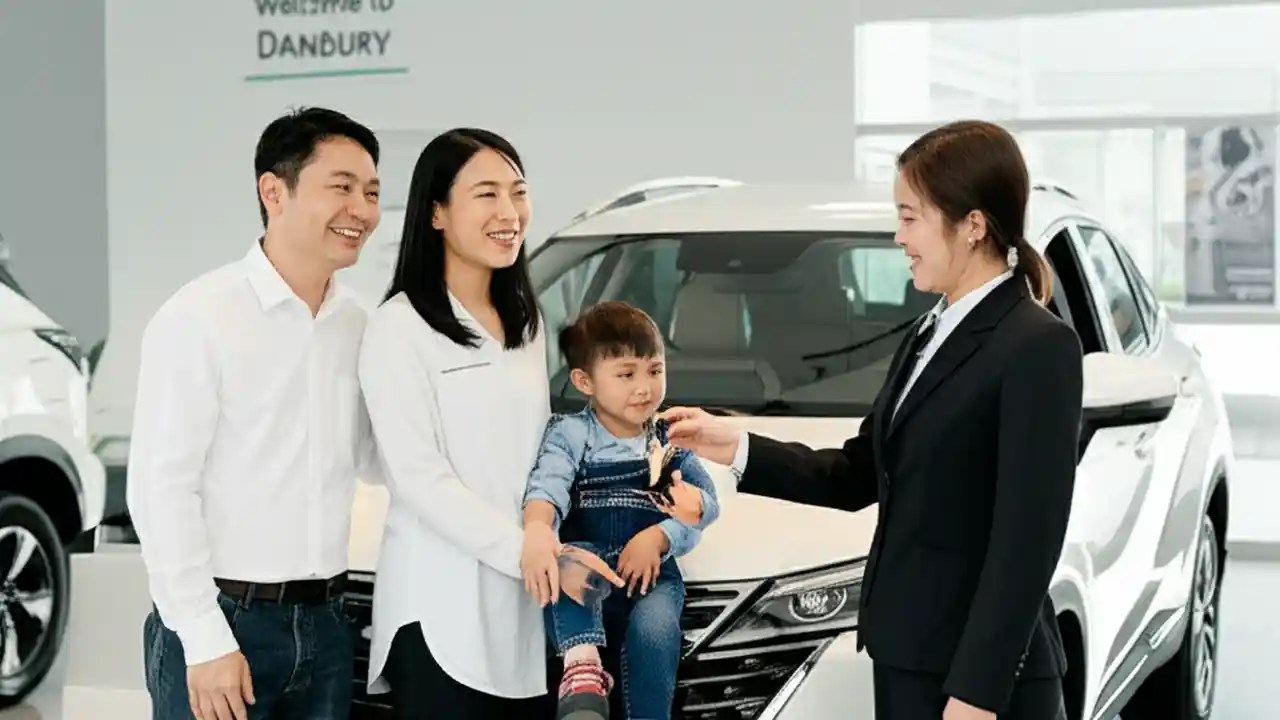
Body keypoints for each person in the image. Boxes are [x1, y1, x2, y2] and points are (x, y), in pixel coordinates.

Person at [661, 119, 1082, 720]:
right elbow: (860, 473)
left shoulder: (1036, 346)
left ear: (972, 226)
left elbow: (1026, 544)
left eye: (910, 216)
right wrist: (734, 444)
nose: (898, 235)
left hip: (978, 683)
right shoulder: (929, 333)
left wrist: (976, 696)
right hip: (909, 658)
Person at [356, 128, 623, 719]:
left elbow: (534, 458)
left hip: (525, 607)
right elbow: (419, 478)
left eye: (518, 192)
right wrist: (528, 551)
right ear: (436, 214)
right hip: (440, 609)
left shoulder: (524, 323)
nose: (510, 213)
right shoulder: (399, 328)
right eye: (486, 194)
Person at [128, 107, 383, 720]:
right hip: (225, 622)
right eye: (341, 187)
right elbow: (160, 490)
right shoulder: (200, 317)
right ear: (274, 191)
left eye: (372, 192)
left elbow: (383, 459)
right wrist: (206, 637)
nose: (362, 210)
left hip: (326, 623)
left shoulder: (358, 322)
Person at [521, 301, 721, 720]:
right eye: (626, 374)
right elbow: (548, 487)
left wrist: (661, 535)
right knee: (566, 574)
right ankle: (583, 672)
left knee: (655, 631)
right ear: (584, 381)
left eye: (655, 370)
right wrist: (540, 529)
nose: (645, 388)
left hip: (652, 573)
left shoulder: (670, 437)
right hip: (588, 556)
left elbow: (704, 506)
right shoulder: (570, 433)